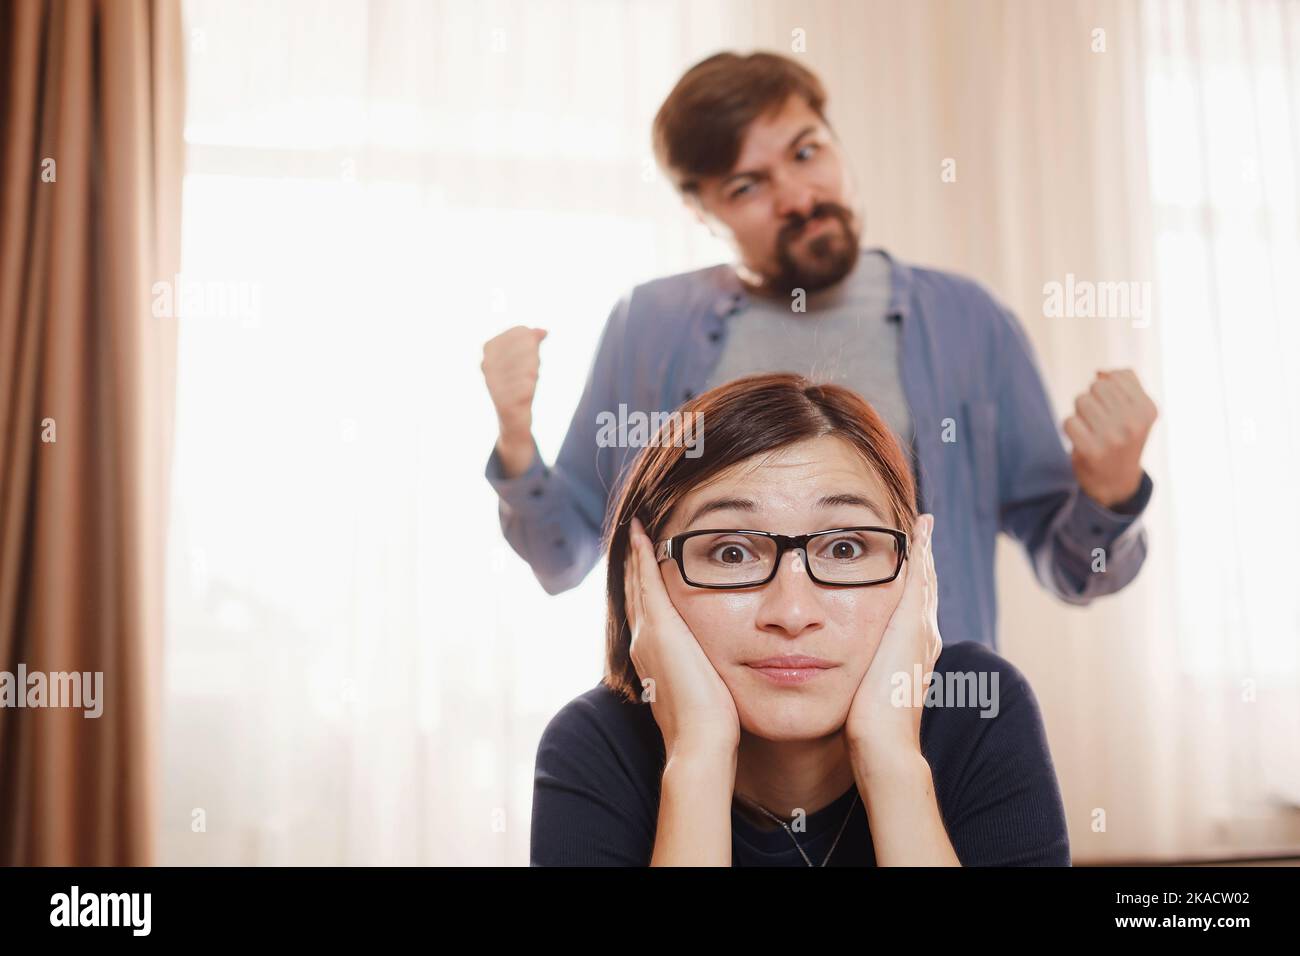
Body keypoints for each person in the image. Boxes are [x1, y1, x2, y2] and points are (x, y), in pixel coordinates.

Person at [482, 50, 1158, 652]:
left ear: (836, 142)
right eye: (747, 186)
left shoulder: (967, 321)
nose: (798, 198)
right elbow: (563, 555)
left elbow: (1078, 573)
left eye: (807, 153)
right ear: (700, 211)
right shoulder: (650, 323)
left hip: (925, 738)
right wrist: (516, 441)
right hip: (701, 748)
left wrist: (1111, 491)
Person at [530, 374, 1070, 866]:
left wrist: (893, 761)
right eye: (731, 554)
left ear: (915, 570)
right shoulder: (595, 745)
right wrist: (696, 760)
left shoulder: (978, 705)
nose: (792, 613)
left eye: (843, 548)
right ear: (641, 579)